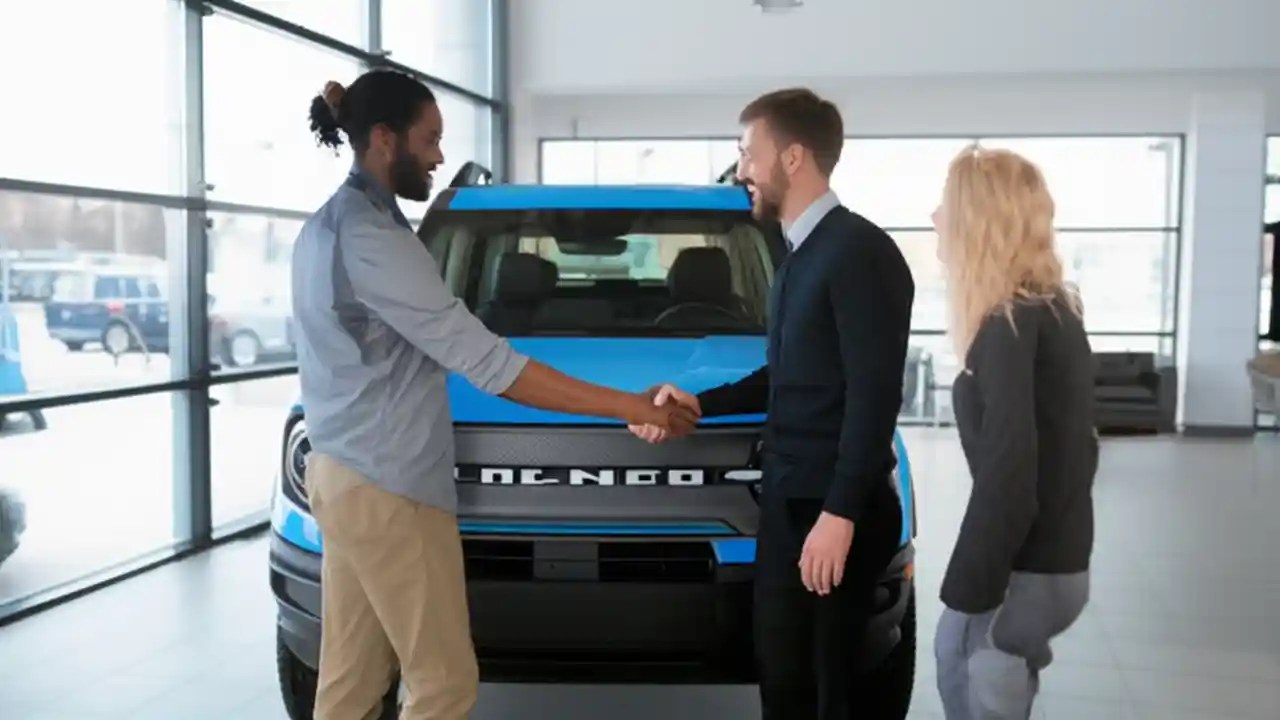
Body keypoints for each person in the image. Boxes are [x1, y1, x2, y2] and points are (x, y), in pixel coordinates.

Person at [293, 69, 699, 720]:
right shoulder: (374, 239)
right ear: (383, 139)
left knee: (349, 683)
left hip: (345, 476)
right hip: (390, 487)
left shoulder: (327, 226)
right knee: (443, 683)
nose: (438, 155)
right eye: (429, 139)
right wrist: (628, 406)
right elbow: (490, 365)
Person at [632, 88, 915, 719]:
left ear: (792, 157)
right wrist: (697, 402)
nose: (740, 172)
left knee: (824, 691)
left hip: (832, 511)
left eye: (746, 154)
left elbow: (874, 395)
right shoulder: (801, 256)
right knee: (786, 680)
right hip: (795, 502)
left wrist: (839, 515)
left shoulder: (858, 253)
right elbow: (787, 377)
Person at [929, 145, 1097, 719]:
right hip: (1061, 560)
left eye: (945, 207)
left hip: (1030, 567)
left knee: (960, 654)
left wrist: (968, 587)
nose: (934, 219)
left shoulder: (1007, 326)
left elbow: (1009, 475)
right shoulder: (1053, 311)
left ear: (978, 220)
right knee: (961, 653)